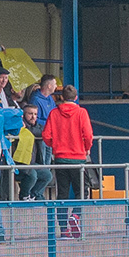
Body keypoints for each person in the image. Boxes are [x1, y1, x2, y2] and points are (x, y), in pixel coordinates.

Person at [41, 83, 93, 235]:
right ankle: (76, 215)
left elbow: (46, 136)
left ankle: (64, 229)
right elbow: (88, 135)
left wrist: (55, 146)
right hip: (78, 159)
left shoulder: (54, 113)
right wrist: (86, 147)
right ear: (76, 98)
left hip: (60, 159)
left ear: (62, 97)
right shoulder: (82, 113)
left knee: (62, 194)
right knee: (82, 192)